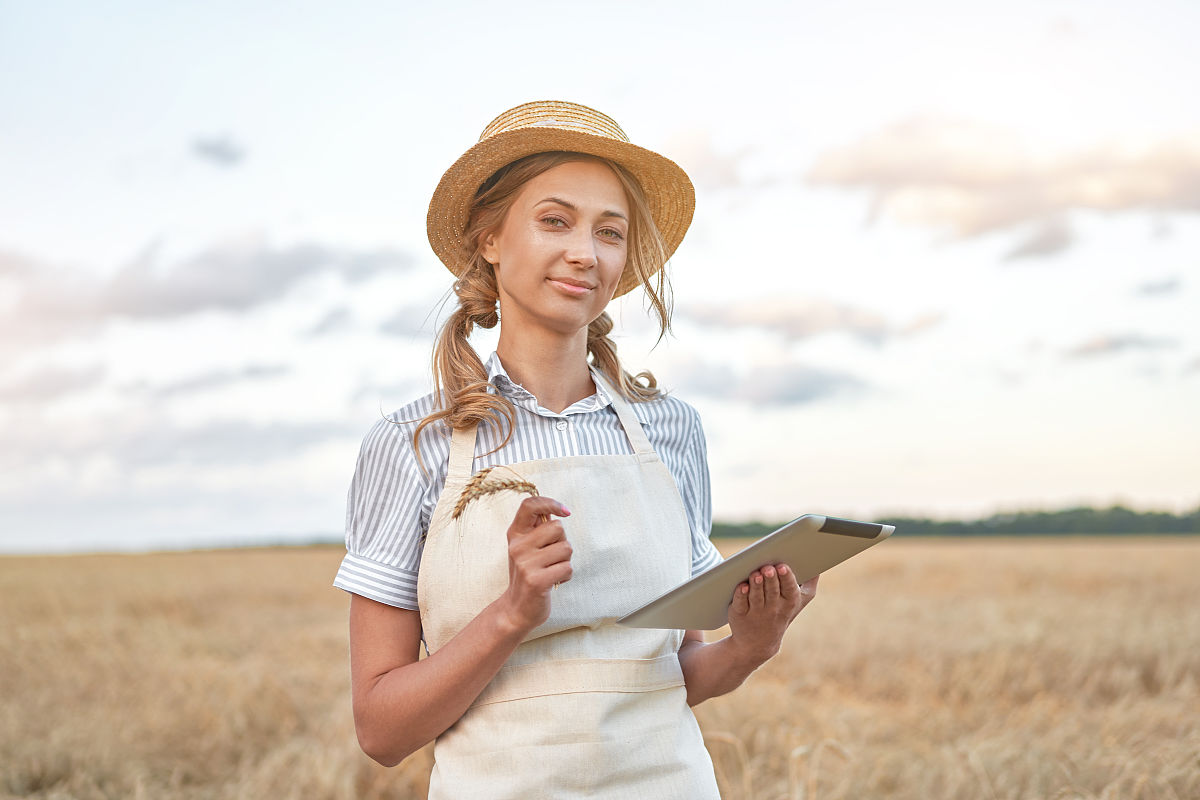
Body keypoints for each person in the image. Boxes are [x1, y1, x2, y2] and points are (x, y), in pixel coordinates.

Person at [333, 100, 819, 799]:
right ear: (490, 238)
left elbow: (672, 673)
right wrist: (511, 614)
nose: (585, 253)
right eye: (555, 220)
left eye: (610, 232)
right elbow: (382, 733)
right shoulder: (414, 446)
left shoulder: (670, 432)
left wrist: (750, 645)